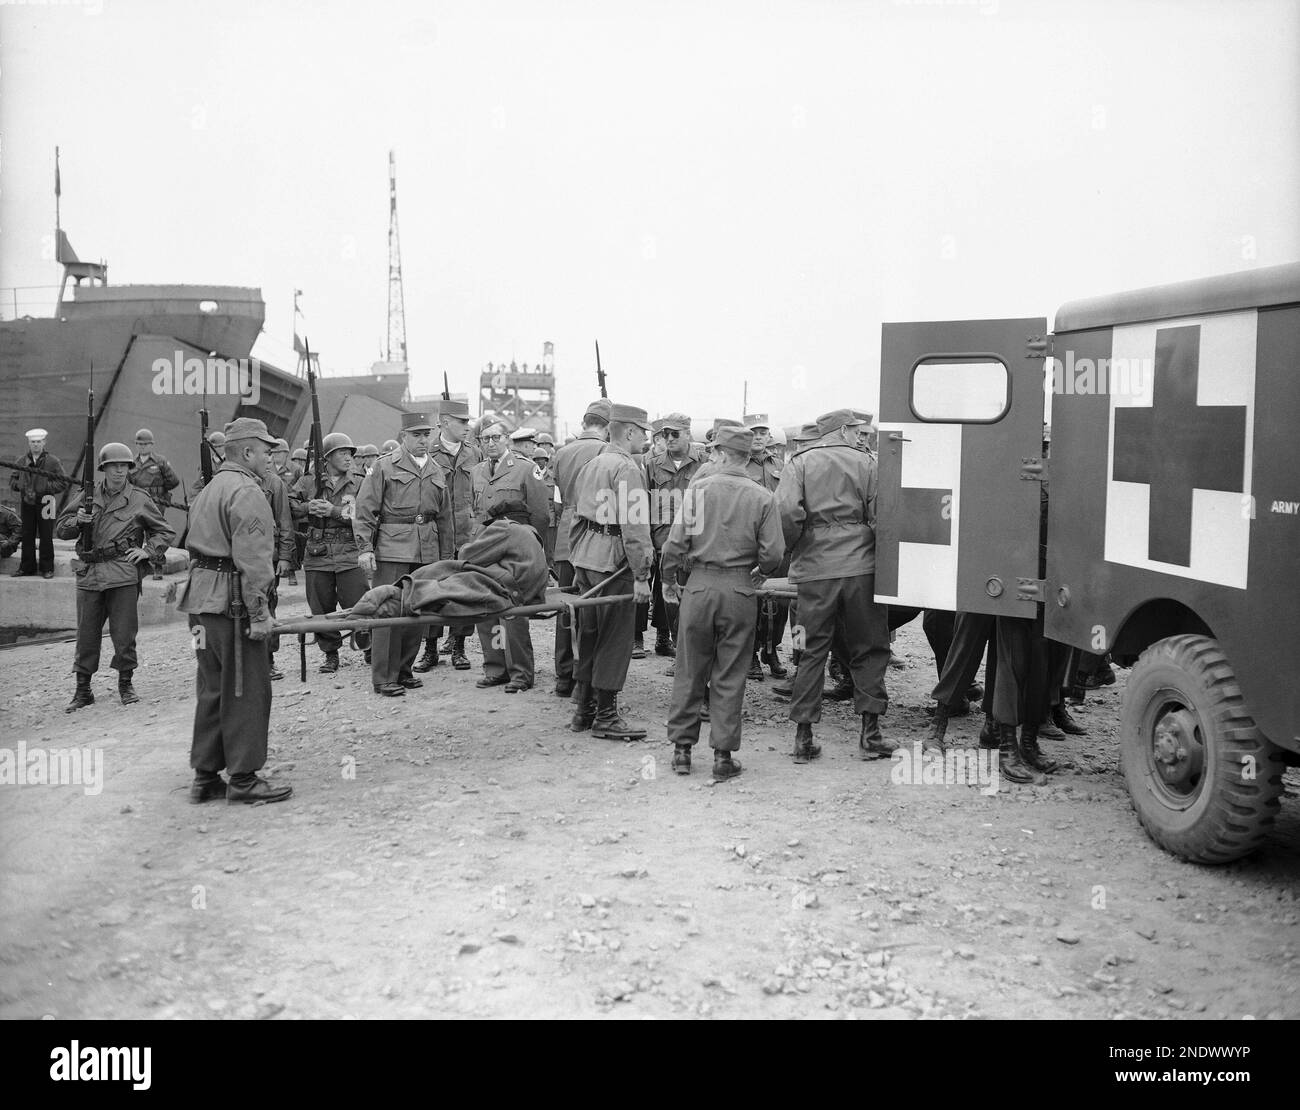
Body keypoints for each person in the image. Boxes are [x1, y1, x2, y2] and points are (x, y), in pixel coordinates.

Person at [177, 417, 292, 805]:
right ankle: (243, 778)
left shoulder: (211, 488)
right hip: (233, 605)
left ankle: (205, 776)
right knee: (246, 689)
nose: (269, 458)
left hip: (202, 604)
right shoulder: (247, 491)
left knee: (212, 687)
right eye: (265, 450)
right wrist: (260, 613)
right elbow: (255, 560)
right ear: (246, 452)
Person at [662, 425, 784, 779]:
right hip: (740, 590)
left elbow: (674, 544)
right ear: (746, 456)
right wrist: (760, 570)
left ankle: (682, 751)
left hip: (699, 587)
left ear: (720, 454)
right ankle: (722, 757)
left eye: (714, 452)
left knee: (689, 669)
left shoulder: (698, 490)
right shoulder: (762, 496)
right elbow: (774, 552)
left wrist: (669, 580)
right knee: (731, 672)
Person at [776, 409, 893, 764]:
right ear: (843, 430)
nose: (864, 437)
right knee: (870, 647)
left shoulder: (800, 463)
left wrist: (798, 547)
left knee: (810, 648)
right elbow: (883, 516)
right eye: (859, 430)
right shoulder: (869, 464)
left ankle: (803, 736)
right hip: (861, 567)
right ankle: (870, 734)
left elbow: (786, 514)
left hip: (815, 569)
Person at [55, 442, 175, 710]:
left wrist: (147, 551)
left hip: (122, 573)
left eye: (124, 466)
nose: (120, 471)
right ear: (104, 469)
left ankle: (125, 684)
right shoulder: (87, 496)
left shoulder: (139, 498)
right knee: (86, 635)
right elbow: (61, 528)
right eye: (114, 466)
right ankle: (83, 690)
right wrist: (78, 521)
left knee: (124, 634)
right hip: (90, 574)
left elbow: (164, 531)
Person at [567, 402, 654, 739]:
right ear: (629, 431)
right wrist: (643, 575)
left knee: (588, 634)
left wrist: (578, 557)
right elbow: (635, 527)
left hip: (588, 558)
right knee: (615, 638)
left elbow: (576, 515)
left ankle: (583, 710)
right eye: (642, 432)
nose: (645, 439)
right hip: (614, 565)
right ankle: (605, 716)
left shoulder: (592, 463)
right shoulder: (627, 468)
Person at [354, 411, 454, 696]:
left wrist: (446, 558)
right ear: (404, 436)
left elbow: (445, 518)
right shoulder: (384, 466)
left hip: (427, 551)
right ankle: (384, 676)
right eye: (417, 435)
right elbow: (364, 510)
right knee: (387, 611)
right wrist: (365, 549)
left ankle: (404, 670)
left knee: (416, 611)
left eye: (426, 435)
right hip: (392, 548)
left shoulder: (436, 470)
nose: (423, 440)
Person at [468, 418, 550, 692]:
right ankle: (496, 669)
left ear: (507, 440)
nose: (490, 443)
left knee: (513, 614)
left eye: (495, 438)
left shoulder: (527, 469)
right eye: (484, 439)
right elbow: (476, 513)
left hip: (515, 554)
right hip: (486, 550)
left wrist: (533, 553)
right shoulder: (477, 471)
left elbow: (540, 515)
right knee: (486, 608)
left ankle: (520, 674)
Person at [290, 432, 366, 673]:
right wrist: (307, 506)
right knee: (321, 607)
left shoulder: (359, 481)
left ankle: (370, 648)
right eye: (342, 453)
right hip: (317, 552)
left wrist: (333, 511)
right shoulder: (308, 481)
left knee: (360, 603)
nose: (348, 458)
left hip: (349, 551)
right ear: (328, 457)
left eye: (350, 453)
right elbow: (288, 505)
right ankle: (330, 654)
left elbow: (362, 516)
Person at [415, 400, 483, 673]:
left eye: (468, 422)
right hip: (437, 533)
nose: (467, 427)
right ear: (444, 423)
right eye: (461, 422)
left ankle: (459, 648)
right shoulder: (426, 452)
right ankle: (430, 649)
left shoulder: (475, 453)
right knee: (432, 589)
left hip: (467, 534)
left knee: (465, 590)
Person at [549, 400, 610, 697]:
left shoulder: (561, 453)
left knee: (565, 605)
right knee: (594, 609)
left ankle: (564, 676)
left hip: (566, 535)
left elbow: (557, 500)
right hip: (596, 536)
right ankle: (589, 676)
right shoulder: (607, 452)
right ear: (608, 426)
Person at [643, 412, 706, 670]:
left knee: (696, 600)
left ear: (688, 434)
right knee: (670, 597)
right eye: (664, 434)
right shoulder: (653, 464)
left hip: (697, 543)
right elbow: (643, 503)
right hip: (665, 541)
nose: (668, 439)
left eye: (674, 434)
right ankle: (680, 652)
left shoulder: (704, 463)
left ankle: (695, 654)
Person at [741, 414, 788, 680]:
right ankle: (750, 654)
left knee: (779, 602)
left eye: (762, 432)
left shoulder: (779, 464)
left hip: (776, 540)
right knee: (752, 600)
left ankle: (771, 651)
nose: (758, 437)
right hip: (749, 541)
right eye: (753, 432)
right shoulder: (739, 464)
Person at [10, 428, 65, 578]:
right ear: (29, 443)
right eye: (33, 442)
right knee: (27, 534)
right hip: (27, 502)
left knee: (46, 535)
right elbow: (13, 480)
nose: (35, 445)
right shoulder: (21, 461)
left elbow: (62, 482)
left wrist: (46, 487)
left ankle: (47, 568)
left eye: (38, 442)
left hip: (47, 502)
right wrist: (20, 485)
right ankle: (27, 567)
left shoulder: (53, 461)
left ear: (44, 442)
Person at [260, 454, 296, 679]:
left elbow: (285, 522)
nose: (266, 458)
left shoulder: (274, 483)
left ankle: (267, 660)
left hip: (268, 557)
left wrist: (284, 557)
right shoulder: (232, 480)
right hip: (236, 556)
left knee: (268, 606)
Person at [128, 428, 181, 579]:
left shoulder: (160, 461)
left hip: (155, 504)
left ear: (152, 445)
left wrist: (160, 492)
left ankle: (157, 565)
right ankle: (137, 566)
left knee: (155, 534)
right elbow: (128, 483)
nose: (142, 446)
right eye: (139, 444)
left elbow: (173, 481)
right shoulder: (131, 463)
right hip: (137, 503)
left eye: (145, 444)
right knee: (135, 533)